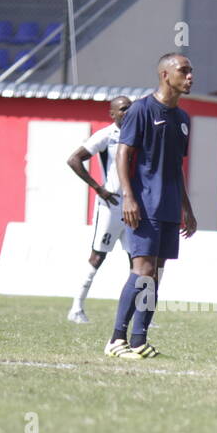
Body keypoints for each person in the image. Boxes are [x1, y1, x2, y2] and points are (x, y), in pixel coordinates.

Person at [106, 54, 197, 360]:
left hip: (170, 206)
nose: (189, 77)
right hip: (144, 204)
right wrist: (128, 197)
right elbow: (123, 155)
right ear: (164, 75)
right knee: (142, 271)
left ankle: (138, 339)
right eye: (183, 71)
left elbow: (175, 167)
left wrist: (187, 207)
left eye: (190, 71)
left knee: (155, 274)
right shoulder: (141, 110)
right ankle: (116, 339)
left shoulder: (183, 119)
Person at [65, 95, 132, 324]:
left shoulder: (139, 134)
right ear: (112, 114)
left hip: (134, 207)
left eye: (129, 108)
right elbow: (74, 159)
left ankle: (142, 315)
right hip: (111, 206)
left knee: (139, 259)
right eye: (122, 109)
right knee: (98, 256)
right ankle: (76, 308)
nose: (127, 112)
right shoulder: (106, 135)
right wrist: (98, 188)